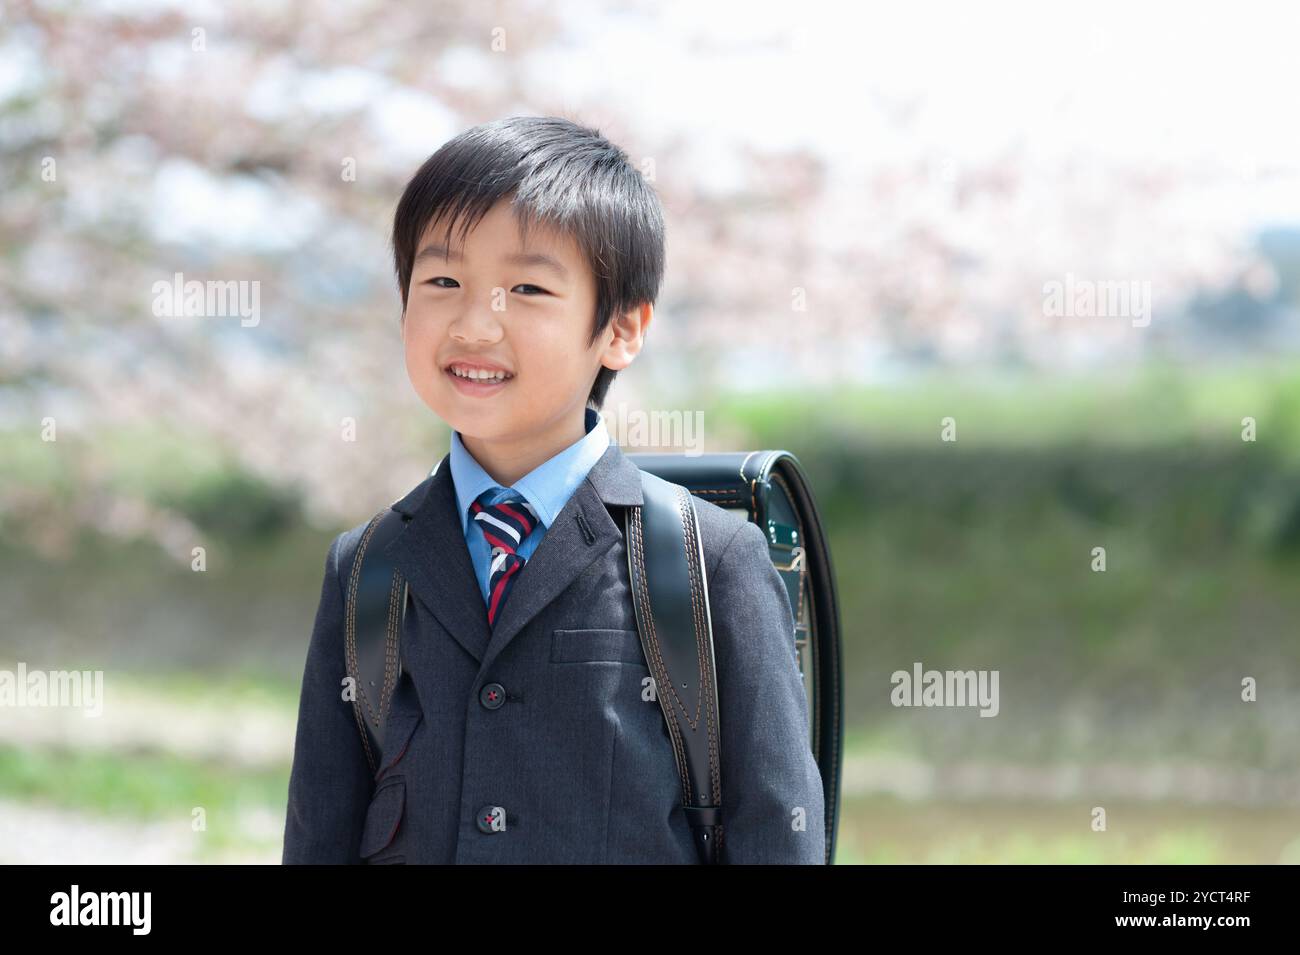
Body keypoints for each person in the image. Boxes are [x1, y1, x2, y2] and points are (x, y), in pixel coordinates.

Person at [282, 115, 824, 864]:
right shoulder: (368, 567)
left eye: (527, 288)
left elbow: (777, 837)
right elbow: (320, 838)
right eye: (442, 280)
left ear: (622, 329)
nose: (475, 323)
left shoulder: (709, 563)